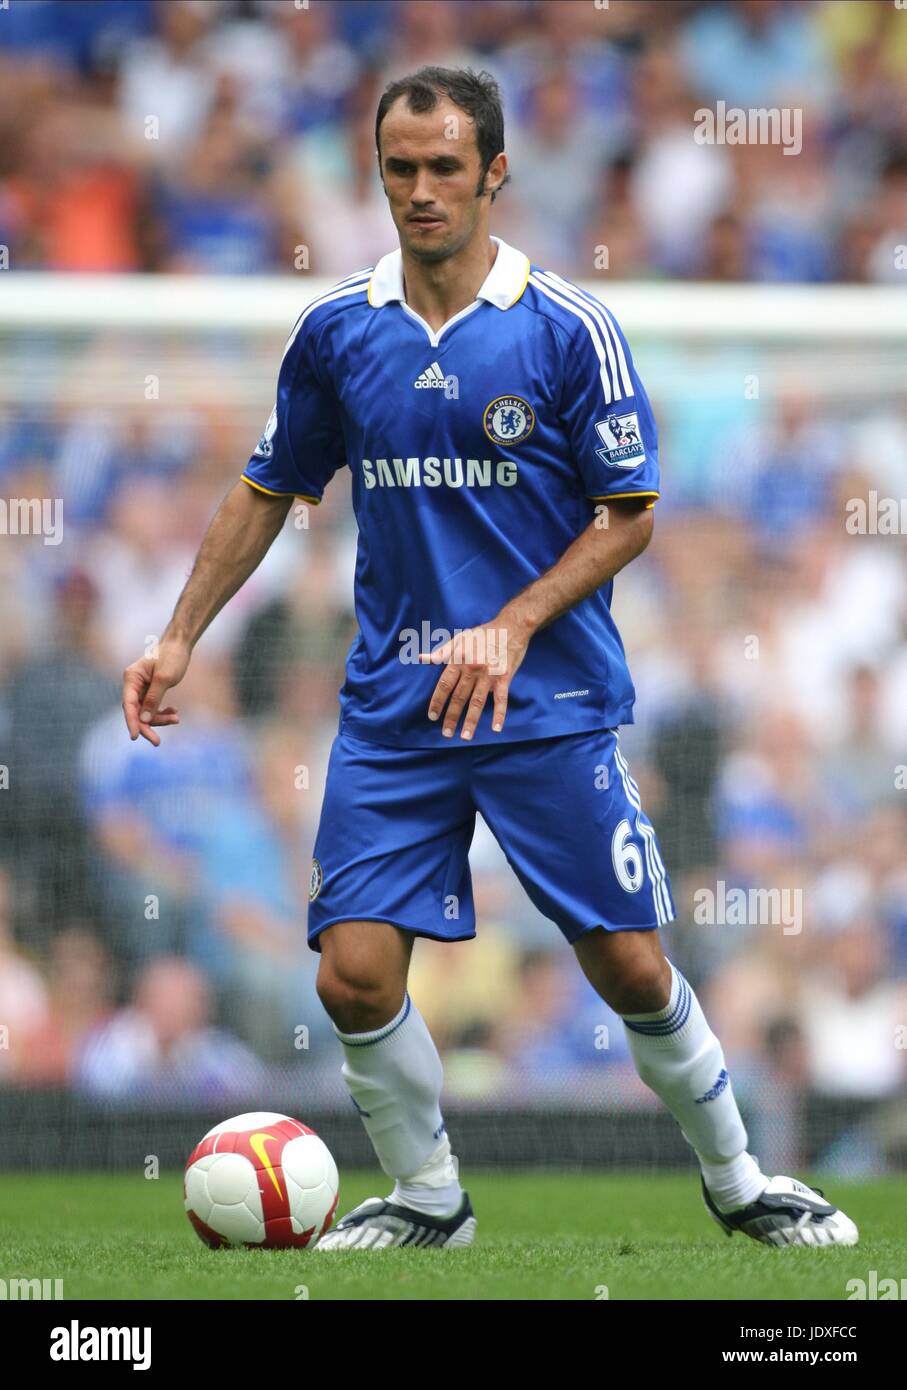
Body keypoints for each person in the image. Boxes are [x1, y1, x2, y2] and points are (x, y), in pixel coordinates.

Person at [121, 67, 857, 1251]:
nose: (420, 191)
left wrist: (514, 623)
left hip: (547, 700)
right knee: (352, 977)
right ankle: (429, 1200)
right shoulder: (338, 332)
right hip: (395, 709)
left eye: (444, 168)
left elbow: (630, 511)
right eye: (399, 168)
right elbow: (270, 486)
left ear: (494, 173)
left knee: (626, 964)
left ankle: (739, 1179)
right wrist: (177, 632)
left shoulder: (567, 327)